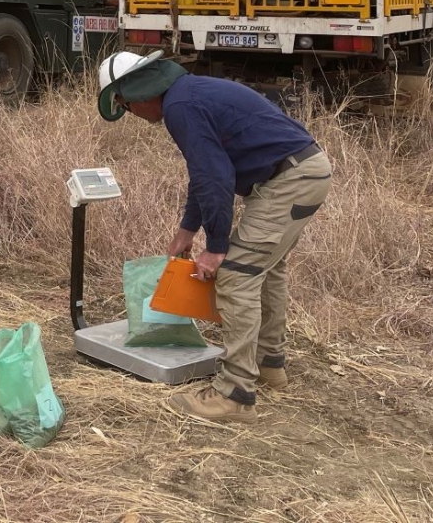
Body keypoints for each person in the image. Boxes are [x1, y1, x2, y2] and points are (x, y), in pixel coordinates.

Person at [97, 50, 332, 423]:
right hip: (304, 171)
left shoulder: (181, 107)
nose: (133, 115)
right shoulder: (190, 94)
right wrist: (187, 230)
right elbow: (205, 170)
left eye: (125, 106)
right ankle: (268, 365)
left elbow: (215, 178)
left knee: (236, 276)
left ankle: (234, 395)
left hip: (289, 180)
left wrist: (217, 247)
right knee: (264, 269)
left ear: (139, 92)